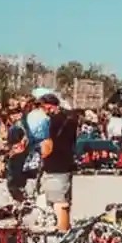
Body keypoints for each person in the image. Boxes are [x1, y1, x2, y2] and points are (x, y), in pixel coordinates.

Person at [38, 93, 78, 232]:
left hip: (53, 162)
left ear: (50, 106)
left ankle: (62, 228)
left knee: (57, 199)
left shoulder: (49, 123)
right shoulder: (71, 120)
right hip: (67, 161)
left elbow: (44, 142)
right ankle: (65, 225)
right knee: (64, 197)